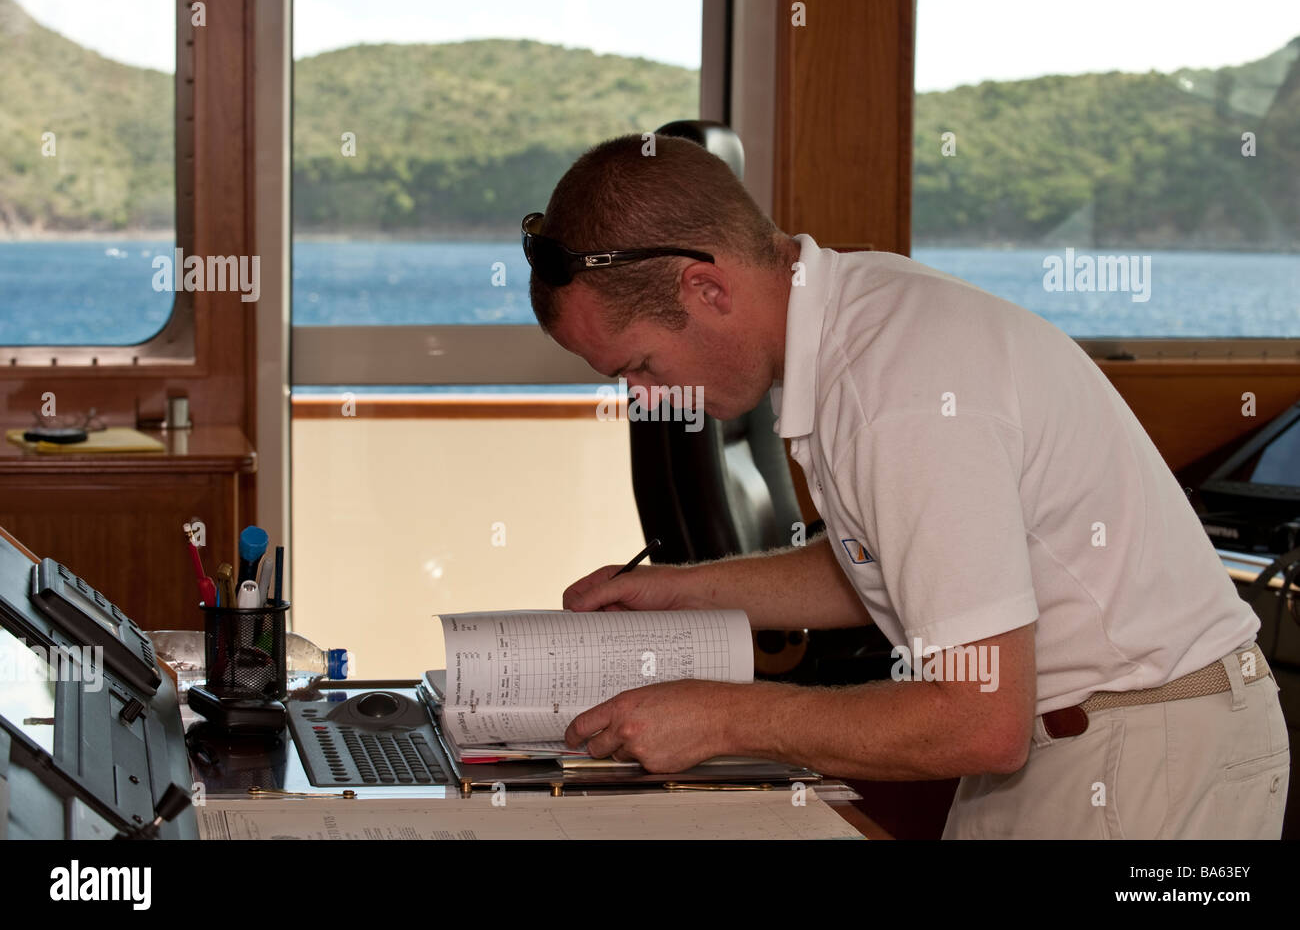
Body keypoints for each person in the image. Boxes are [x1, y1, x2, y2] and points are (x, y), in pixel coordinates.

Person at [522, 132, 1290, 838]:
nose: (645, 398)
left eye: (640, 366)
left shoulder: (898, 390)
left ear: (707, 290)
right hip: (1062, 736)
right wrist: (679, 593)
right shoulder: (849, 319)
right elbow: (882, 564)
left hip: (1142, 753)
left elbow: (980, 720)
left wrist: (724, 717)